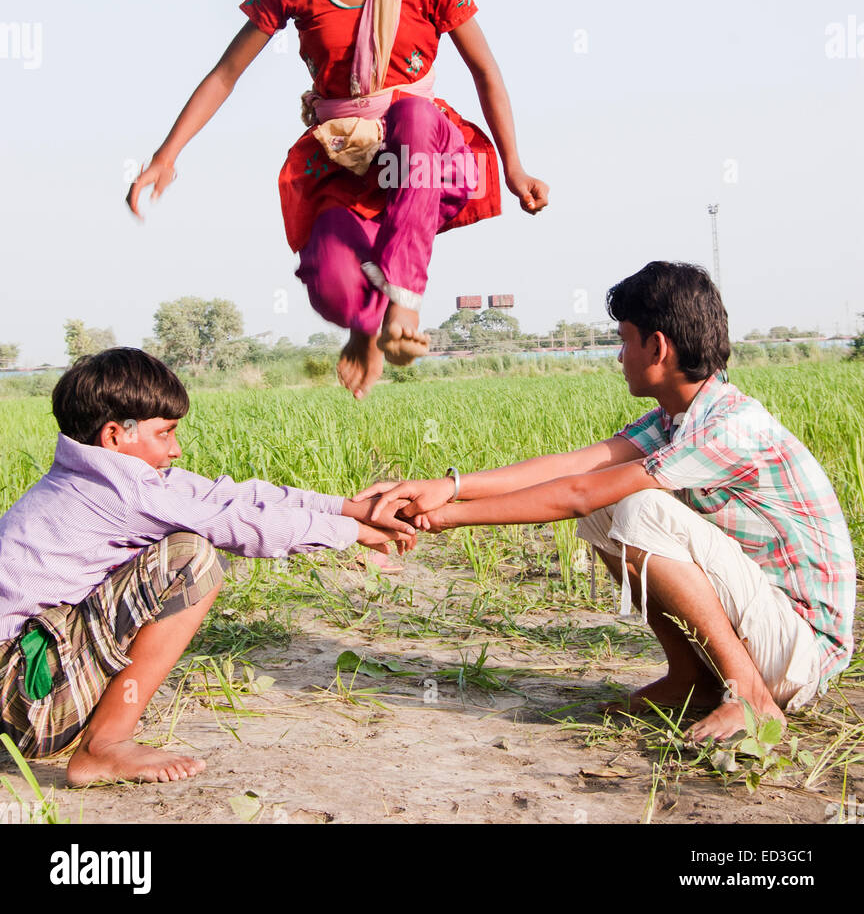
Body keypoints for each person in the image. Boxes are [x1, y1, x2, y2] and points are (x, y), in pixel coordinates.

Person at [126, 0, 548, 399]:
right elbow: (225, 74)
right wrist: (166, 156)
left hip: (425, 159)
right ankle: (365, 323)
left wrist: (514, 165)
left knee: (414, 118)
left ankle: (404, 300)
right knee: (328, 278)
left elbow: (485, 72)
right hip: (345, 155)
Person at [357, 262, 857, 742]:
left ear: (656, 347)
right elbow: (575, 468)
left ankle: (749, 693)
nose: (619, 357)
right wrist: (449, 487)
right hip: (766, 631)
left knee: (637, 506)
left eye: (624, 341)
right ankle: (692, 679)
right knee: (610, 508)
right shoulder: (675, 417)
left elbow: (576, 494)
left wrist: (443, 519)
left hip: (799, 652)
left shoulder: (727, 426)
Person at [0, 348, 414, 785]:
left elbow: (227, 495)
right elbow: (237, 525)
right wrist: (353, 532)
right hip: (23, 700)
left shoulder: (95, 476)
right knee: (189, 559)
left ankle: (100, 737)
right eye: (166, 433)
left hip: (19, 684)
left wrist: (350, 509)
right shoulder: (124, 496)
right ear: (114, 436)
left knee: (188, 544)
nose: (175, 449)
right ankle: (105, 747)